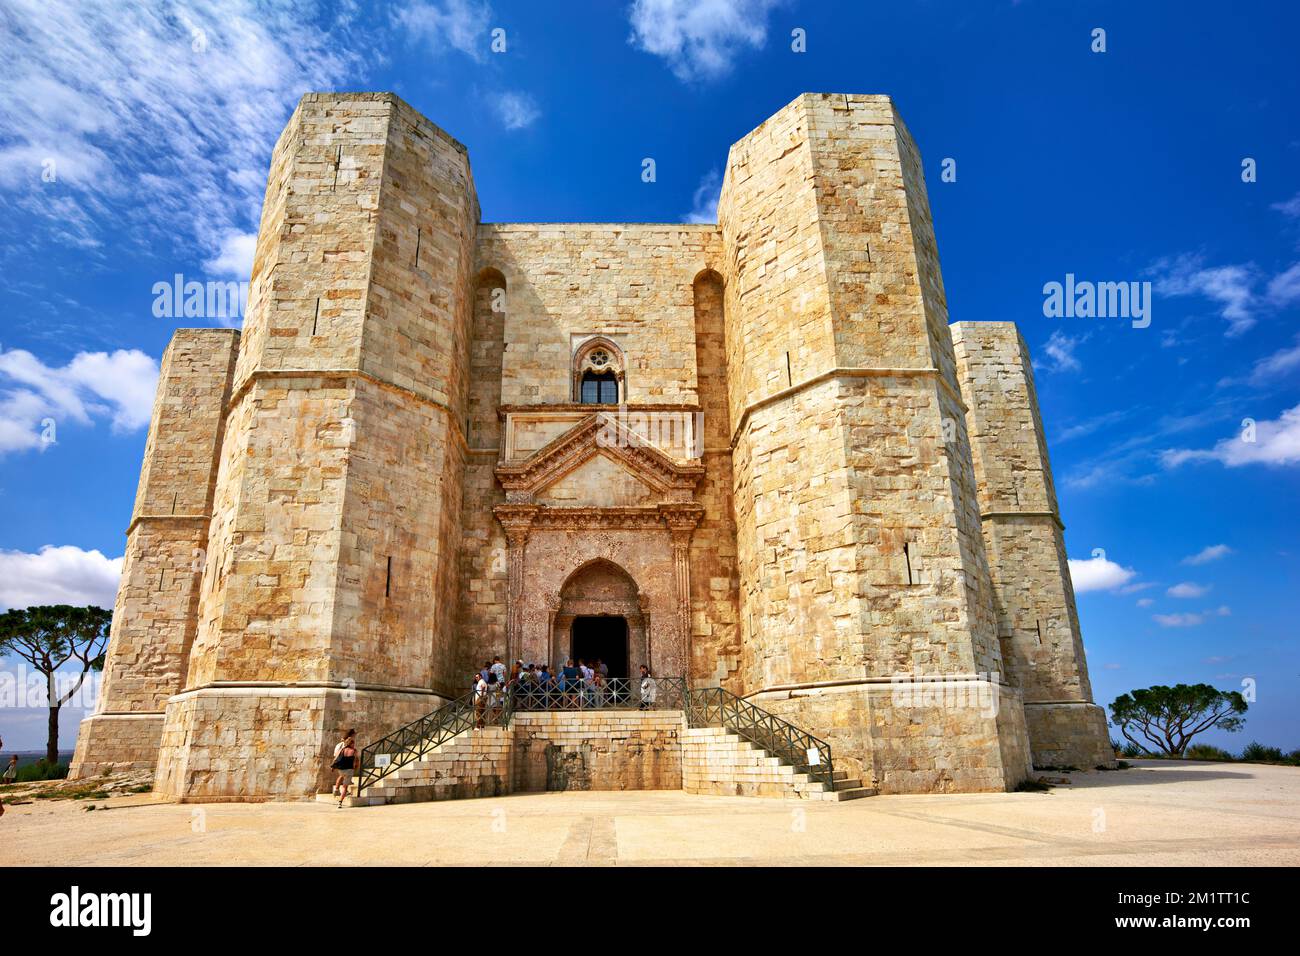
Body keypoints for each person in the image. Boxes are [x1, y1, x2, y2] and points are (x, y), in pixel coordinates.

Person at [331, 731, 358, 807]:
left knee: (341, 778)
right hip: (349, 770)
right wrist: (356, 767)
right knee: (345, 787)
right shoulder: (354, 751)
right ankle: (340, 802)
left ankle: (337, 789)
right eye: (353, 743)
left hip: (341, 769)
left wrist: (333, 767)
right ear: (351, 743)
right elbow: (356, 761)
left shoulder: (342, 750)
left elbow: (336, 758)